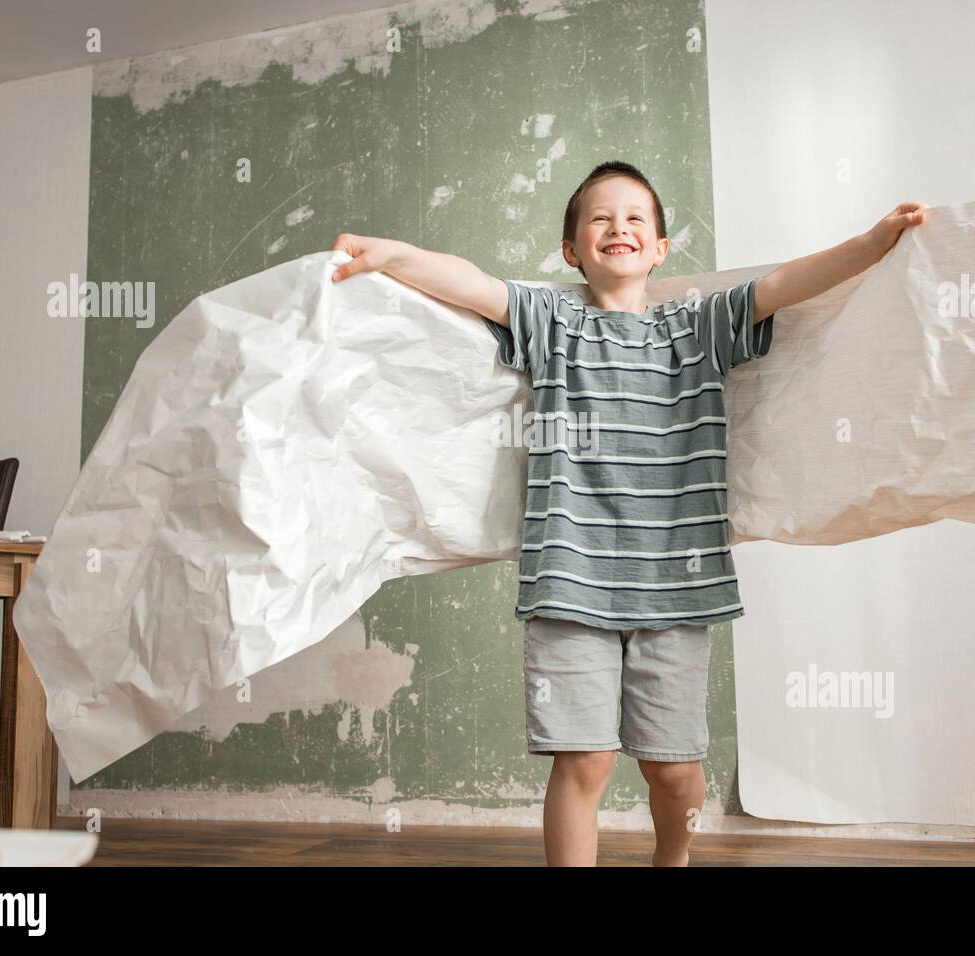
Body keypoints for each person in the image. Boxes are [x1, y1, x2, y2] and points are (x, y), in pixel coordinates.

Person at [330, 160, 925, 866]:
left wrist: (872, 242)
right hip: (570, 581)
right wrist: (392, 256)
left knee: (673, 771)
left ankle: (671, 860)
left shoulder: (699, 326)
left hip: (676, 587)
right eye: (600, 219)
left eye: (636, 217)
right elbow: (473, 285)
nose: (620, 227)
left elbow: (786, 284)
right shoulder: (553, 321)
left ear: (661, 250)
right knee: (585, 764)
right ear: (572, 250)